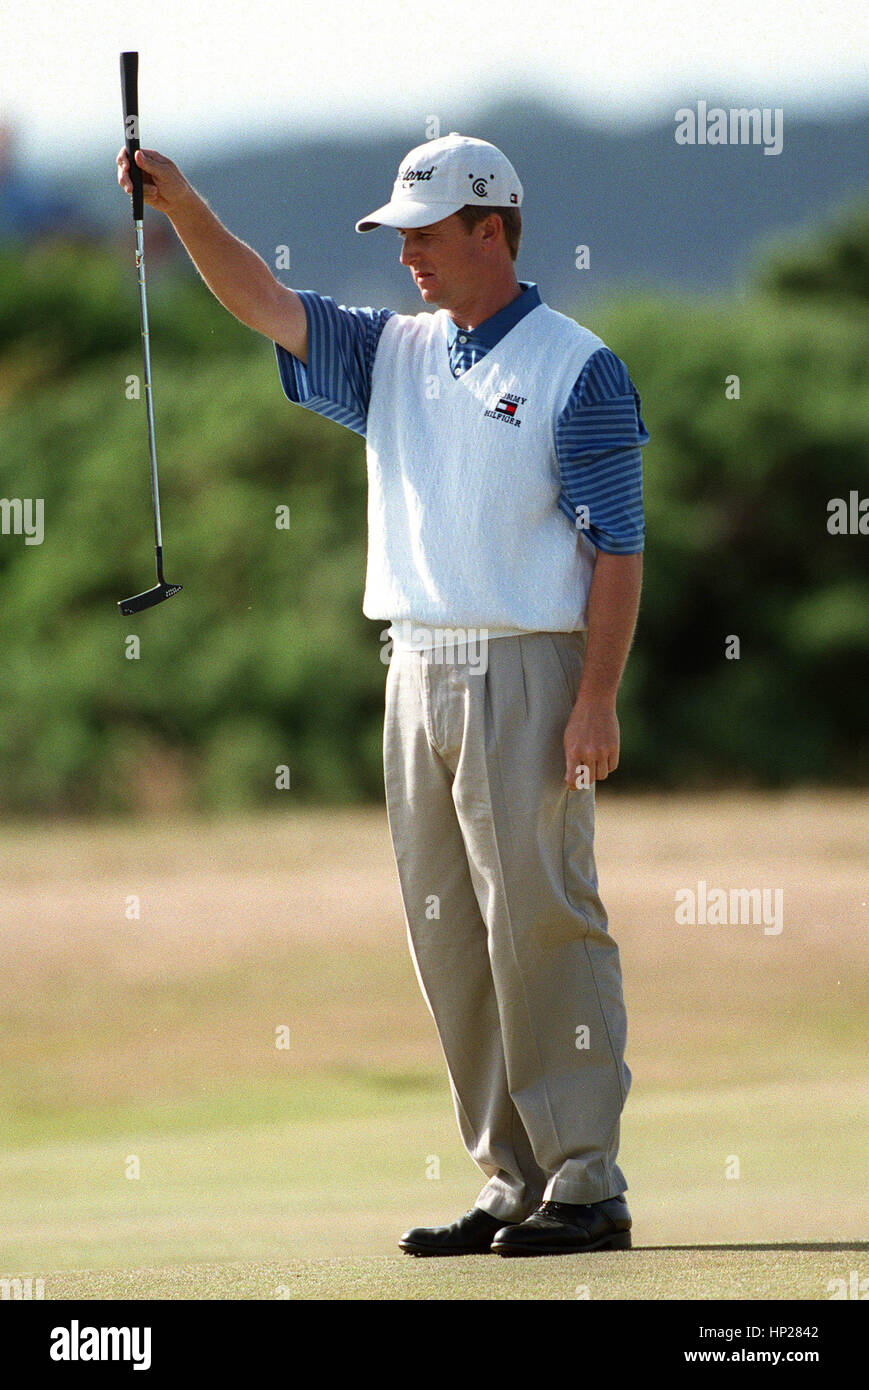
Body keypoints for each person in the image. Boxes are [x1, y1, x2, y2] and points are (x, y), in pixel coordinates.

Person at [117, 130, 648, 1257]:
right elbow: (261, 300)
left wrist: (596, 694)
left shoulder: (575, 365)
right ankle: (511, 1177)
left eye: (425, 235)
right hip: (412, 666)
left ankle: (586, 1179)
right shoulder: (392, 351)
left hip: (529, 664)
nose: (406, 255)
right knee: (448, 933)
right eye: (396, 237)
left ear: (489, 230)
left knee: (541, 921)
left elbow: (616, 549)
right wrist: (180, 206)